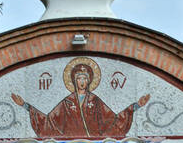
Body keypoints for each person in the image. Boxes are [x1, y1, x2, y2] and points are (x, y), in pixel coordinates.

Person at [12, 59, 150, 138]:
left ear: (89, 81)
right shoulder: (67, 102)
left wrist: (135, 106)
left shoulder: (95, 100)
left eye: (85, 78)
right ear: (74, 81)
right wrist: (26, 106)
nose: (82, 81)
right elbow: (49, 121)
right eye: (79, 78)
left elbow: (112, 120)